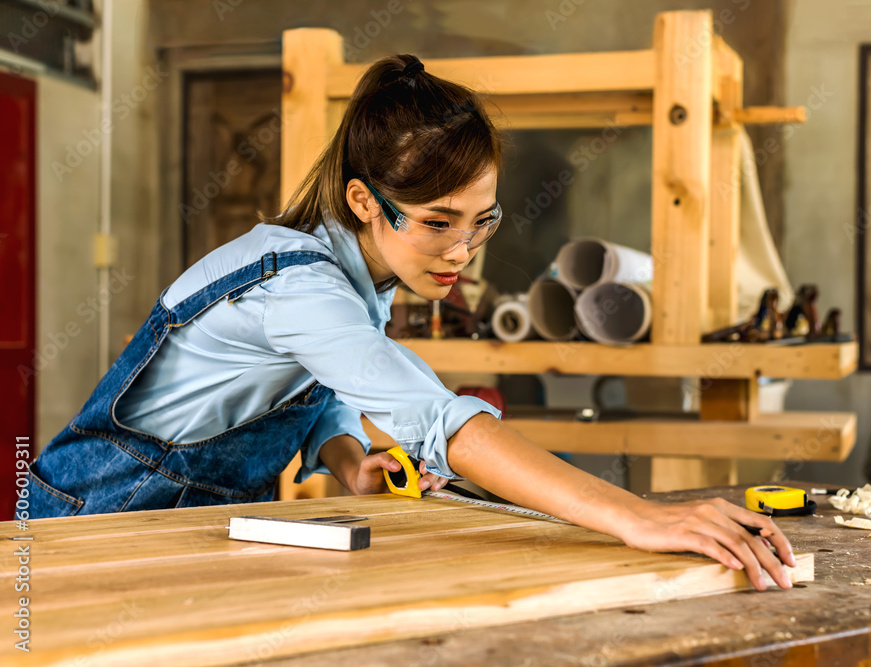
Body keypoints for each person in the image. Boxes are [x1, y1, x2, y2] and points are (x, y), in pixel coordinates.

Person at [26, 54, 796, 591]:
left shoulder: (363, 271)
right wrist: (637, 516)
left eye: (480, 220)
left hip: (191, 526)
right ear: (365, 201)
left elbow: (321, 383)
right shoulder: (296, 285)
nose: (461, 250)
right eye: (436, 221)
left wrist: (349, 460)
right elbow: (438, 419)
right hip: (95, 518)